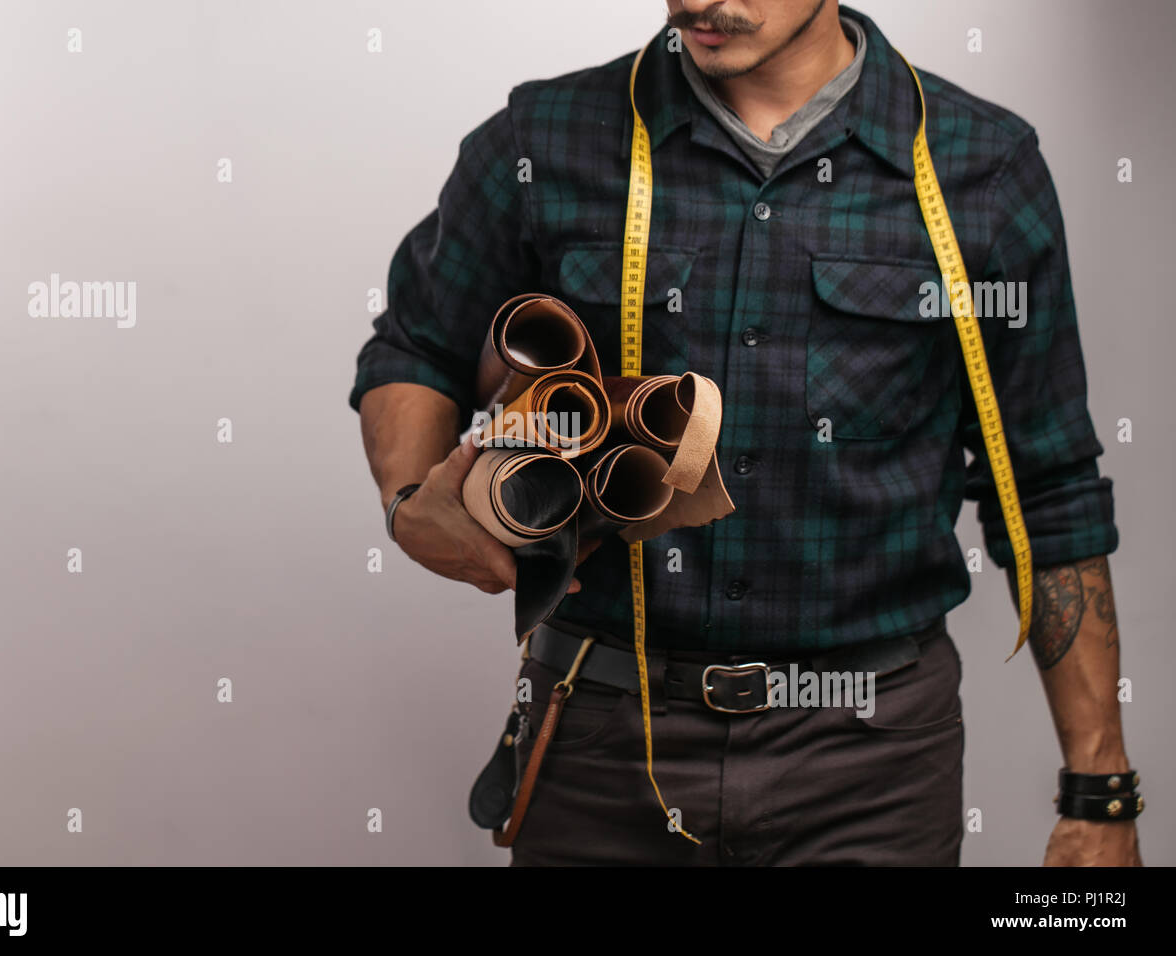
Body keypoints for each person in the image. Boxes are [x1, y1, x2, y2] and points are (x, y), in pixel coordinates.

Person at [348, 0, 1142, 866]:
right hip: (602, 733)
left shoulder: (980, 165)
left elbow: (1047, 485)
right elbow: (419, 345)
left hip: (872, 759)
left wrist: (1098, 793)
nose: (698, 1)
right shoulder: (545, 138)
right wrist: (407, 501)